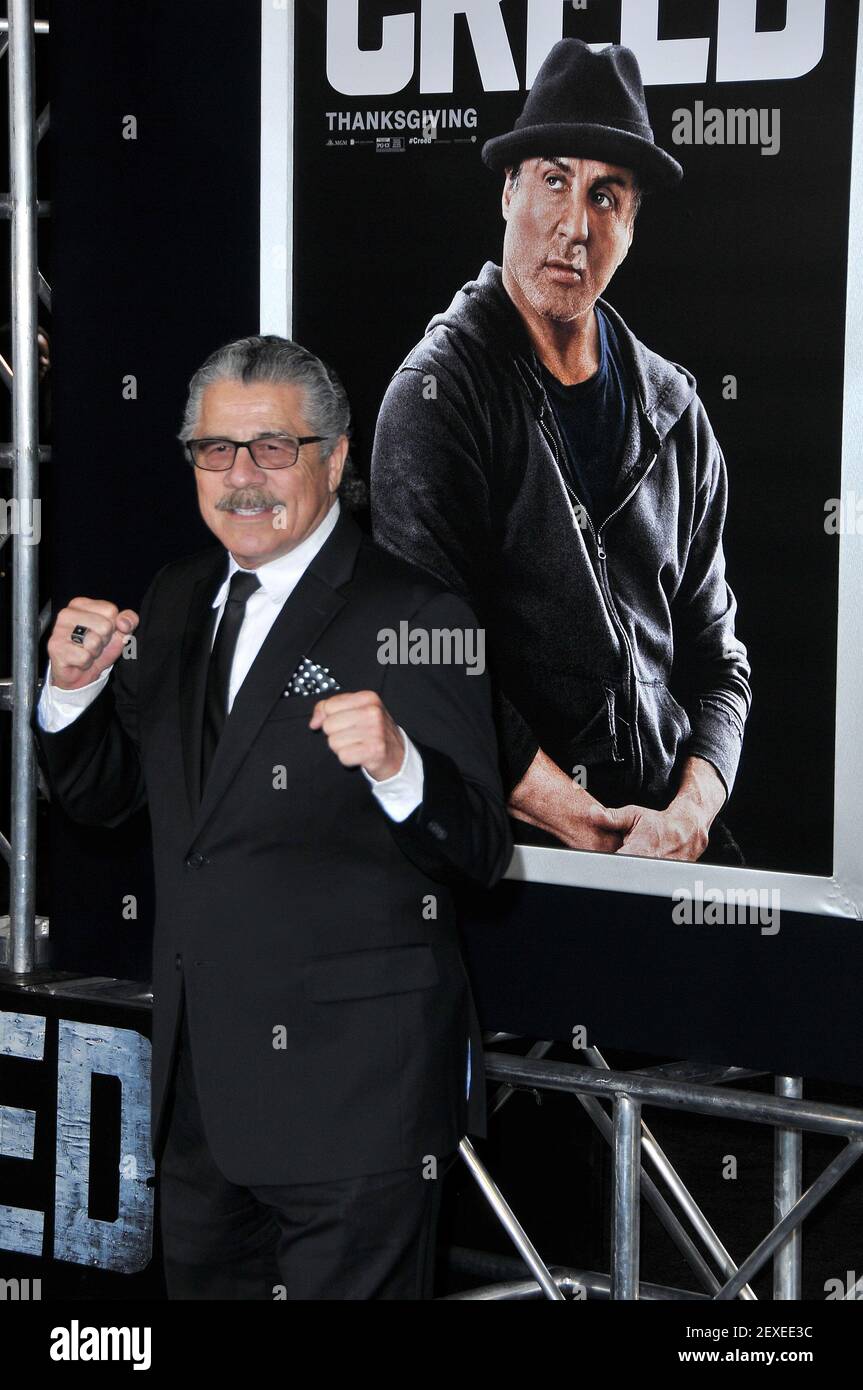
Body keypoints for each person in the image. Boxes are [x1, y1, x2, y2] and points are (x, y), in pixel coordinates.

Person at [34, 335, 512, 1299]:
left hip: (357, 1103)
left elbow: (483, 853)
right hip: (202, 1098)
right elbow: (107, 799)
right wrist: (67, 696)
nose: (241, 477)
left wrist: (399, 764)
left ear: (336, 460)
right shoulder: (174, 599)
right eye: (216, 450)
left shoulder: (416, 611)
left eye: (273, 448)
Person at [370, 38, 751, 866]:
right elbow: (424, 662)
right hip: (516, 855)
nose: (574, 226)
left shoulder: (676, 411)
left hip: (672, 844)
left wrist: (689, 809)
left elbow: (720, 665)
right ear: (507, 192)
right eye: (552, 179)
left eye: (606, 196)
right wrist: (584, 825)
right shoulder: (438, 396)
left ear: (631, 224)